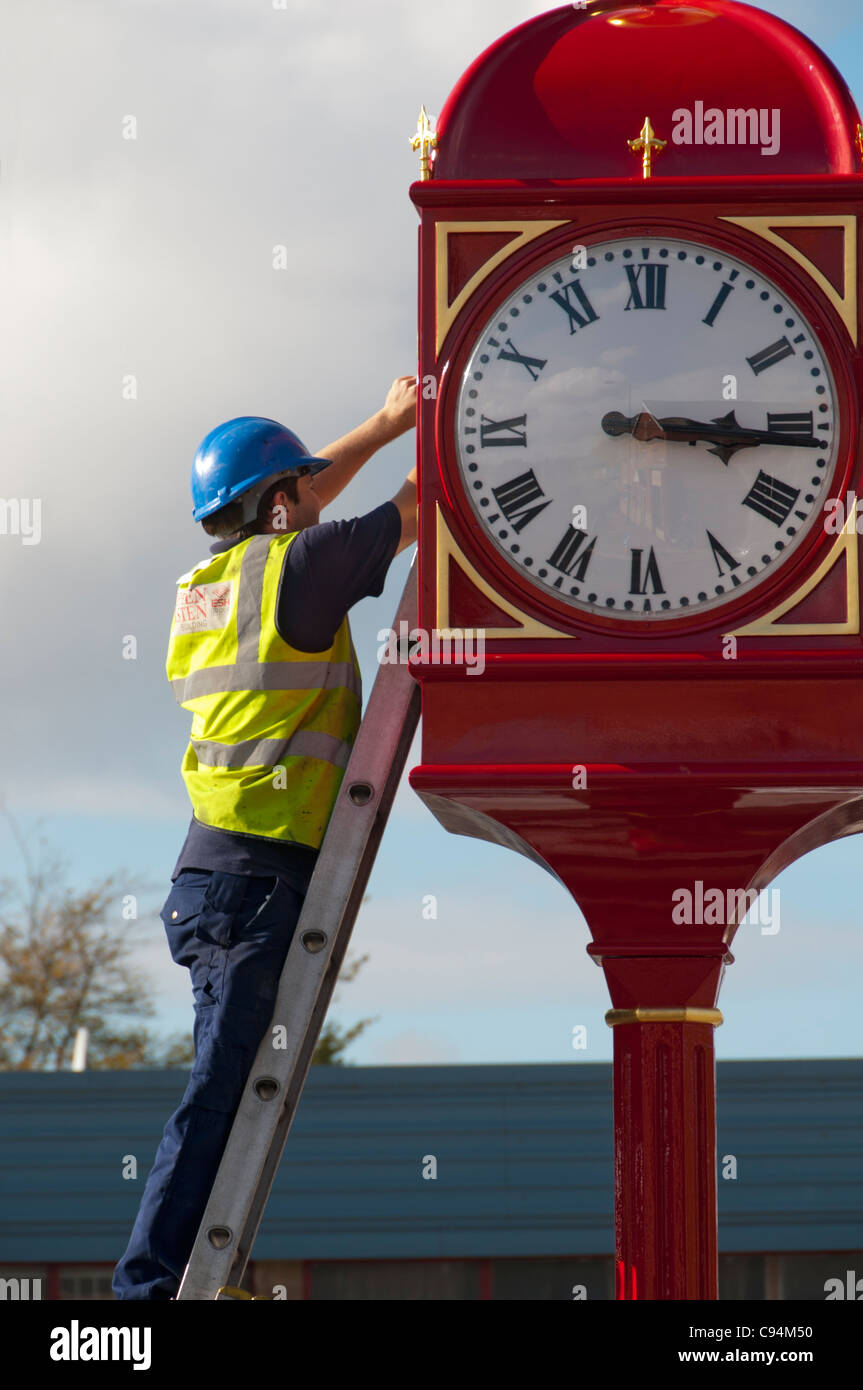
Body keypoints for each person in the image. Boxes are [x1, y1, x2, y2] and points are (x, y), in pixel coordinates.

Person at [113, 375, 418, 1300]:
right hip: (252, 878)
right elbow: (421, 505)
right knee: (220, 1089)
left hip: (217, 872)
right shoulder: (300, 567)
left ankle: (194, 1272)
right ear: (278, 503)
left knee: (231, 1085)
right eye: (299, 488)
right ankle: (151, 1288)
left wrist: (386, 419)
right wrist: (451, 428)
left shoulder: (210, 585)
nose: (312, 496)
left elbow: (307, 498)